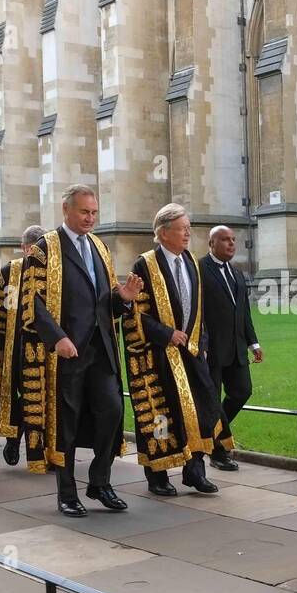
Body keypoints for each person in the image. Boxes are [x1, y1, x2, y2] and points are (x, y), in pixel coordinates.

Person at [20, 186, 141, 516]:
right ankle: (66, 492)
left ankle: (99, 482)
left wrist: (124, 298)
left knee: (112, 412)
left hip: (101, 349)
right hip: (67, 352)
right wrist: (57, 337)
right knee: (67, 424)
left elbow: (106, 304)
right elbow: (33, 301)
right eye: (84, 212)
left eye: (93, 213)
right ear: (66, 210)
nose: (90, 218)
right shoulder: (44, 249)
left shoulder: (101, 247)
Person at [122, 203, 230, 497]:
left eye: (188, 229)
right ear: (164, 232)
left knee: (201, 411)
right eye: (182, 229)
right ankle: (157, 475)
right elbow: (135, 313)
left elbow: (199, 309)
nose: (187, 234)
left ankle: (195, 472)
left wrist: (202, 344)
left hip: (192, 353)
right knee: (161, 416)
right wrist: (166, 334)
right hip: (158, 355)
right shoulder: (145, 264)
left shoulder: (192, 262)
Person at [0, 225, 47, 466]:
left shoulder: (52, 272)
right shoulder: (10, 272)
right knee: (20, 396)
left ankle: (42, 450)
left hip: (47, 348)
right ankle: (14, 438)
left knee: (44, 399)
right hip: (15, 347)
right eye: (34, 248)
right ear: (24, 247)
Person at [198, 225, 261, 472]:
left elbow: (243, 313)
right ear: (211, 243)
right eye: (225, 240)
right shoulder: (200, 269)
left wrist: (254, 342)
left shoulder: (237, 274)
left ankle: (211, 434)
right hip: (211, 350)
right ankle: (217, 451)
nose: (231, 244)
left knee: (242, 391)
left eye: (234, 240)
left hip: (236, 348)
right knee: (212, 399)